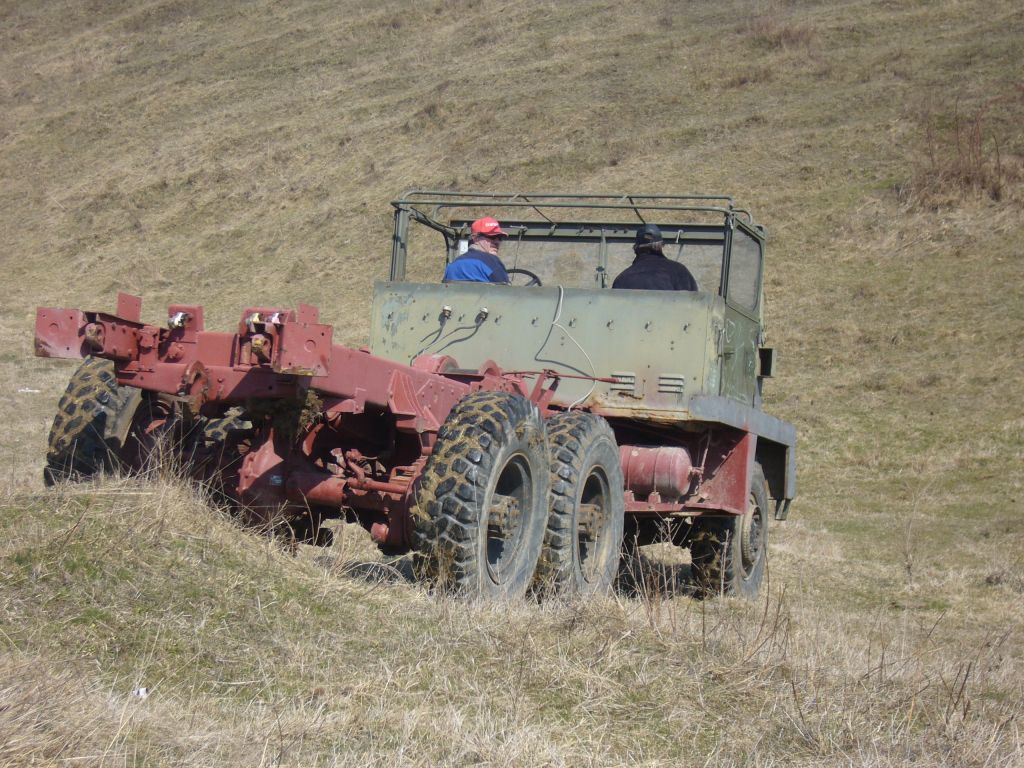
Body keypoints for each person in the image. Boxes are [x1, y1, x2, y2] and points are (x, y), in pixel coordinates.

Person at [612, 224, 698, 291]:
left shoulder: (622, 278)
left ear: (636, 249)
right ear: (660, 246)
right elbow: (694, 305)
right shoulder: (680, 272)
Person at [442, 216, 510, 284]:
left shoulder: (452, 266)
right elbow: (507, 291)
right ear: (475, 238)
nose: (497, 242)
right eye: (492, 237)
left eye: (500, 238)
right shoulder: (492, 262)